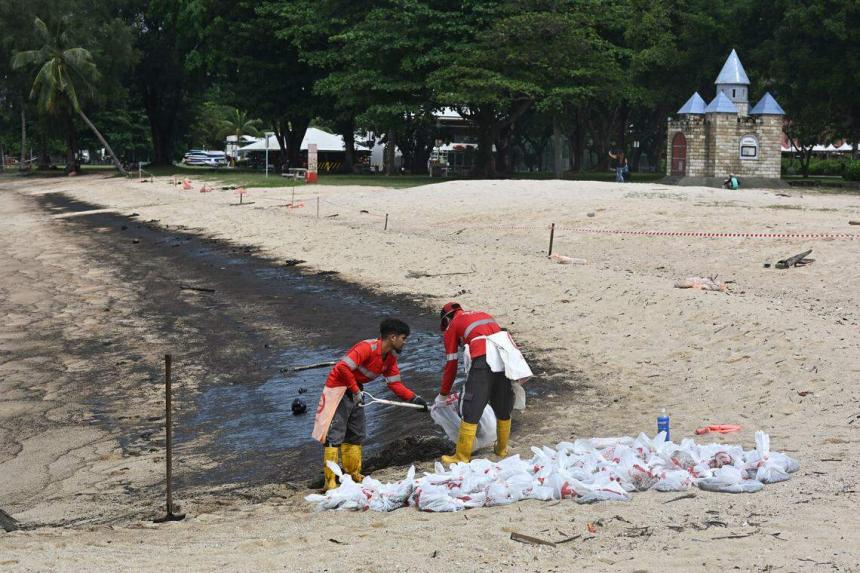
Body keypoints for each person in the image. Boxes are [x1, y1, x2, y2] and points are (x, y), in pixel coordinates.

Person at [311, 318, 428, 490]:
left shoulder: (390, 358)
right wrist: (355, 390)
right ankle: (331, 480)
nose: (405, 342)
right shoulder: (366, 348)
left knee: (356, 433)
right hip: (339, 389)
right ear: (393, 337)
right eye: (404, 338)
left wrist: (414, 399)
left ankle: (353, 474)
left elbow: (395, 384)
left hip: (356, 390)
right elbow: (342, 368)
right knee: (334, 436)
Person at [437, 302, 531, 465]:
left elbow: (451, 365)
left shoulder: (453, 326)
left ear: (447, 319)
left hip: (482, 357)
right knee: (502, 399)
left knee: (472, 402)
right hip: (505, 356)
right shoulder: (483, 315)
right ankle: (501, 448)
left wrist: (443, 394)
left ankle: (462, 456)